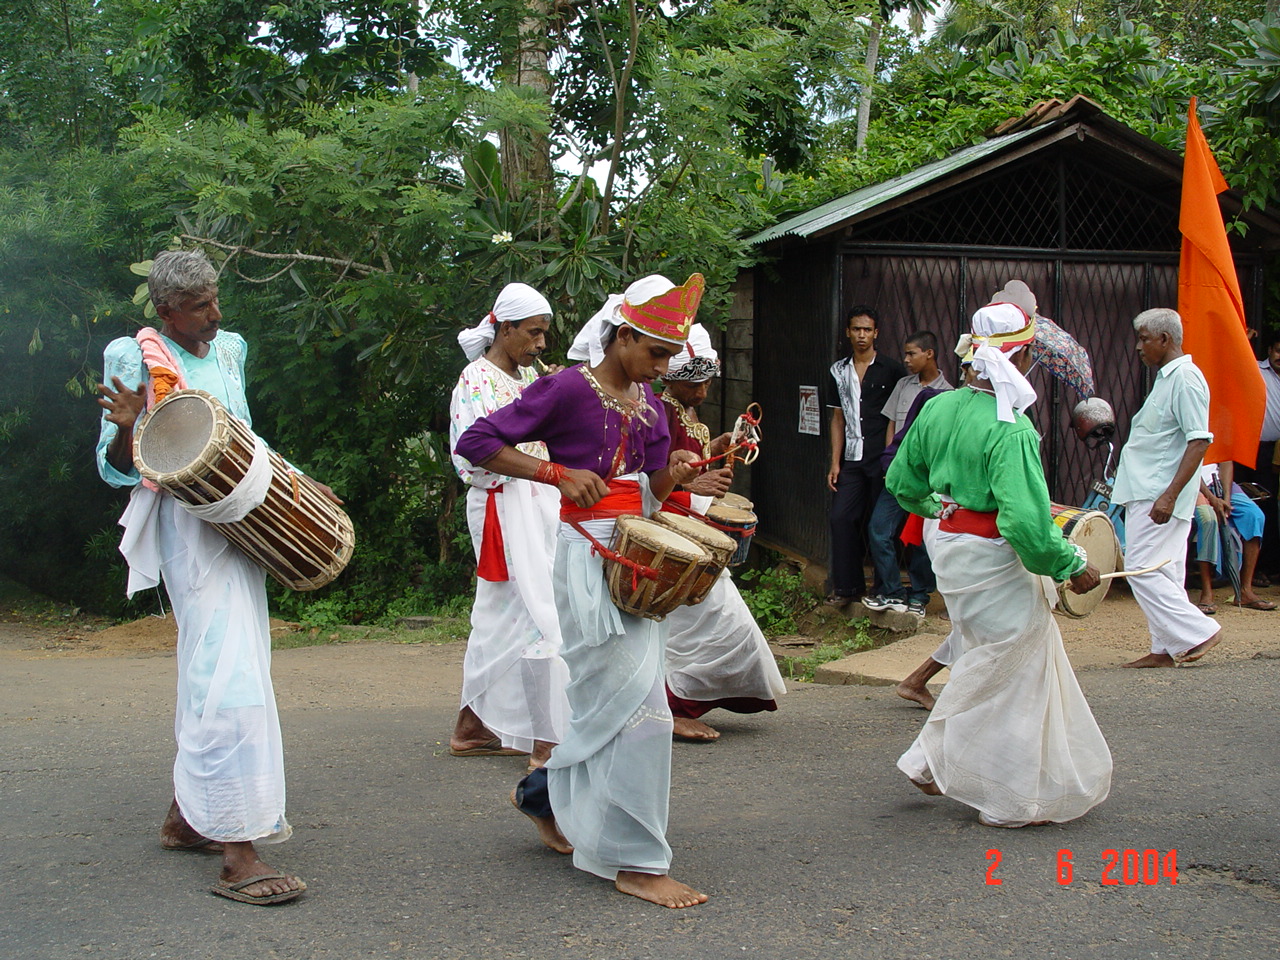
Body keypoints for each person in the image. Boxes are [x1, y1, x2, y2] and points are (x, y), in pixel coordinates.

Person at [454, 274, 708, 909]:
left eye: (669, 356)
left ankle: (543, 796)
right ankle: (635, 862)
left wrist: (676, 474)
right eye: (656, 353)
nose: (664, 367)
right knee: (637, 706)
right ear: (622, 337)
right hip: (583, 557)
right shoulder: (567, 387)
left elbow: (650, 492)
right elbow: (476, 443)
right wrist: (554, 472)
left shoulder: (651, 406)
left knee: (613, 702)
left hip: (633, 557)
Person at [94, 250, 339, 905]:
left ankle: (187, 818)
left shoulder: (230, 349)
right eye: (200, 305)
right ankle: (238, 852)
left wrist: (297, 485)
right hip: (189, 527)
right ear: (166, 310)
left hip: (246, 516)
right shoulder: (134, 356)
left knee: (221, 660)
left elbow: (245, 438)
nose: (215, 313)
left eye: (215, 298)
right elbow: (115, 468)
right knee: (227, 672)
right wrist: (127, 431)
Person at [886, 298, 1111, 828]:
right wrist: (1070, 563)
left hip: (950, 550)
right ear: (1022, 356)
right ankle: (978, 782)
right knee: (1014, 666)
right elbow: (1027, 526)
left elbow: (900, 483)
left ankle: (934, 763)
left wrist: (939, 509)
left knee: (983, 654)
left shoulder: (937, 406)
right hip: (992, 556)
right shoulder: (1013, 430)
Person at [448, 283, 569, 767]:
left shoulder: (531, 375)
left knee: (502, 615)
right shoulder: (474, 379)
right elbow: (473, 455)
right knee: (539, 613)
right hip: (502, 507)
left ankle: (471, 726)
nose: (541, 343)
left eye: (544, 333)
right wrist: (549, 474)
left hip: (540, 504)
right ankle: (545, 738)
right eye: (533, 333)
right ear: (505, 328)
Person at [657, 325, 787, 742]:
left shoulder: (683, 410)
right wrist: (693, 486)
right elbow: (647, 478)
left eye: (707, 381)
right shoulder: (658, 411)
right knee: (709, 624)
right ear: (672, 378)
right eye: (695, 383)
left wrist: (716, 448)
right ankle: (672, 707)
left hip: (690, 528)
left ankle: (675, 703)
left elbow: (686, 461)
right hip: (670, 530)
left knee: (711, 624)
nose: (703, 390)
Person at [1112, 308, 1222, 668]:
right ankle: (1165, 648)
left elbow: (1199, 440)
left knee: (1142, 568)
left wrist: (1169, 495)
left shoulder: (1185, 379)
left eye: (1144, 339)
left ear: (1165, 339)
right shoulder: (1168, 378)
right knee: (1165, 570)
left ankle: (1197, 631)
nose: (1139, 347)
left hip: (1158, 493)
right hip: (1150, 490)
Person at [863, 331, 953, 617]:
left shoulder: (949, 394)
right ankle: (892, 591)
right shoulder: (903, 385)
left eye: (912, 353)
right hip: (899, 475)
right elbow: (892, 424)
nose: (906, 359)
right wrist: (890, 462)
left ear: (929, 353)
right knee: (879, 530)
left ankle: (919, 595)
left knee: (923, 539)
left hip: (927, 480)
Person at [825, 307, 906, 604]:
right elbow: (837, 418)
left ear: (876, 333)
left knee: (880, 524)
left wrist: (894, 456)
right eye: (856, 329)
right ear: (848, 332)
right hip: (851, 457)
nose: (862, 335)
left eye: (867, 330)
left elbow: (899, 416)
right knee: (841, 517)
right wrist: (835, 462)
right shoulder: (838, 371)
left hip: (882, 458)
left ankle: (885, 589)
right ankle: (848, 588)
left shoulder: (892, 370)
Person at [1190, 462, 1276, 612]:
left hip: (1218, 482)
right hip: (1191, 484)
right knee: (1209, 520)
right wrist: (1212, 498)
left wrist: (1226, 499)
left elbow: (1226, 463)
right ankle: (1207, 593)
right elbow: (1191, 468)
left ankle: (1245, 591)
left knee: (1254, 516)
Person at [1235, 334, 1280, 581]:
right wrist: (1243, 338)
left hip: (1276, 451)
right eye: (1278, 350)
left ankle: (1269, 567)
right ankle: (1251, 568)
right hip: (1254, 448)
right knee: (1254, 503)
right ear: (1270, 350)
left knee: (1271, 507)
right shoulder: (1256, 370)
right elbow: (1235, 364)